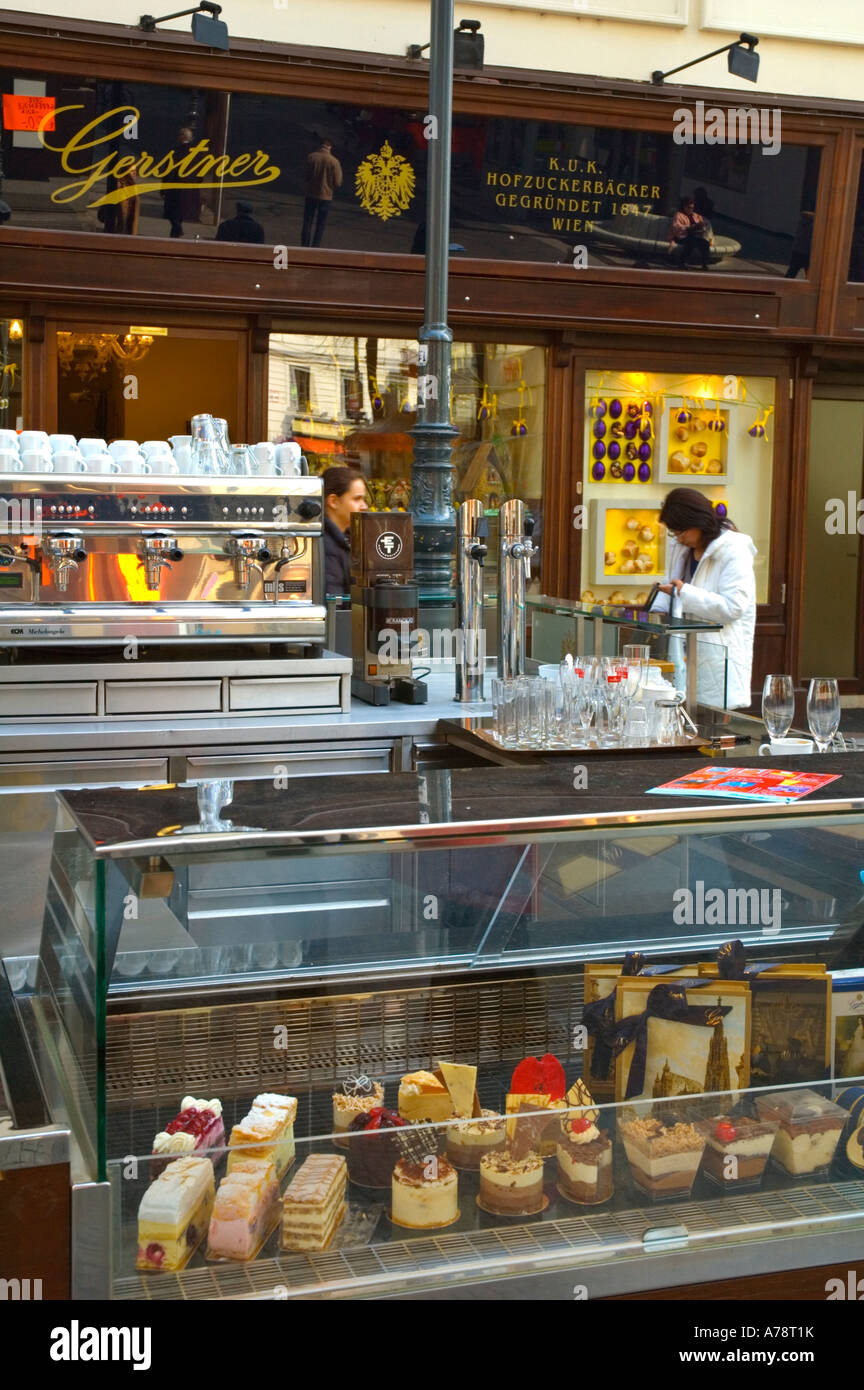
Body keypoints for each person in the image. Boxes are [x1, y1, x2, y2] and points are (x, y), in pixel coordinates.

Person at [652, 487, 756, 709]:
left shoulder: (734, 550)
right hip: (683, 653)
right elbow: (674, 582)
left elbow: (733, 607)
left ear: (698, 521)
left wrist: (684, 592)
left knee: (714, 733)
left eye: (682, 532)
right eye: (674, 533)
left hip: (718, 659)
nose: (679, 539)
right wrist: (659, 603)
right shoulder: (681, 547)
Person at [322, 465, 368, 594]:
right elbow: (335, 604)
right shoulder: (325, 546)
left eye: (364, 499)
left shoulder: (347, 539)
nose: (364, 506)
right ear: (333, 501)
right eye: (357, 499)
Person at [301, 139, 342, 248]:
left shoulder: (312, 157)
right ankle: (315, 246)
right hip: (326, 196)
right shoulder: (334, 161)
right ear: (330, 148)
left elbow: (306, 175)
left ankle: (304, 245)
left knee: (308, 221)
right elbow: (338, 182)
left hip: (311, 193)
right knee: (320, 224)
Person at [162, 127, 200, 239]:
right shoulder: (196, 152)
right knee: (181, 211)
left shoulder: (175, 151)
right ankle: (176, 231)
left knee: (173, 212)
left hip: (175, 187)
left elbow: (169, 171)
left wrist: (164, 187)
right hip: (189, 187)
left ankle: (177, 229)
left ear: (182, 137)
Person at [668, 196, 711, 270]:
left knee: (705, 243)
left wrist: (701, 227)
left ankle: (704, 264)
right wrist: (689, 227)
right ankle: (682, 263)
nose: (690, 209)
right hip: (682, 236)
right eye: (688, 207)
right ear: (684, 207)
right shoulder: (679, 215)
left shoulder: (696, 215)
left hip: (695, 235)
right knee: (691, 243)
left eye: (692, 208)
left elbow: (702, 226)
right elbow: (676, 227)